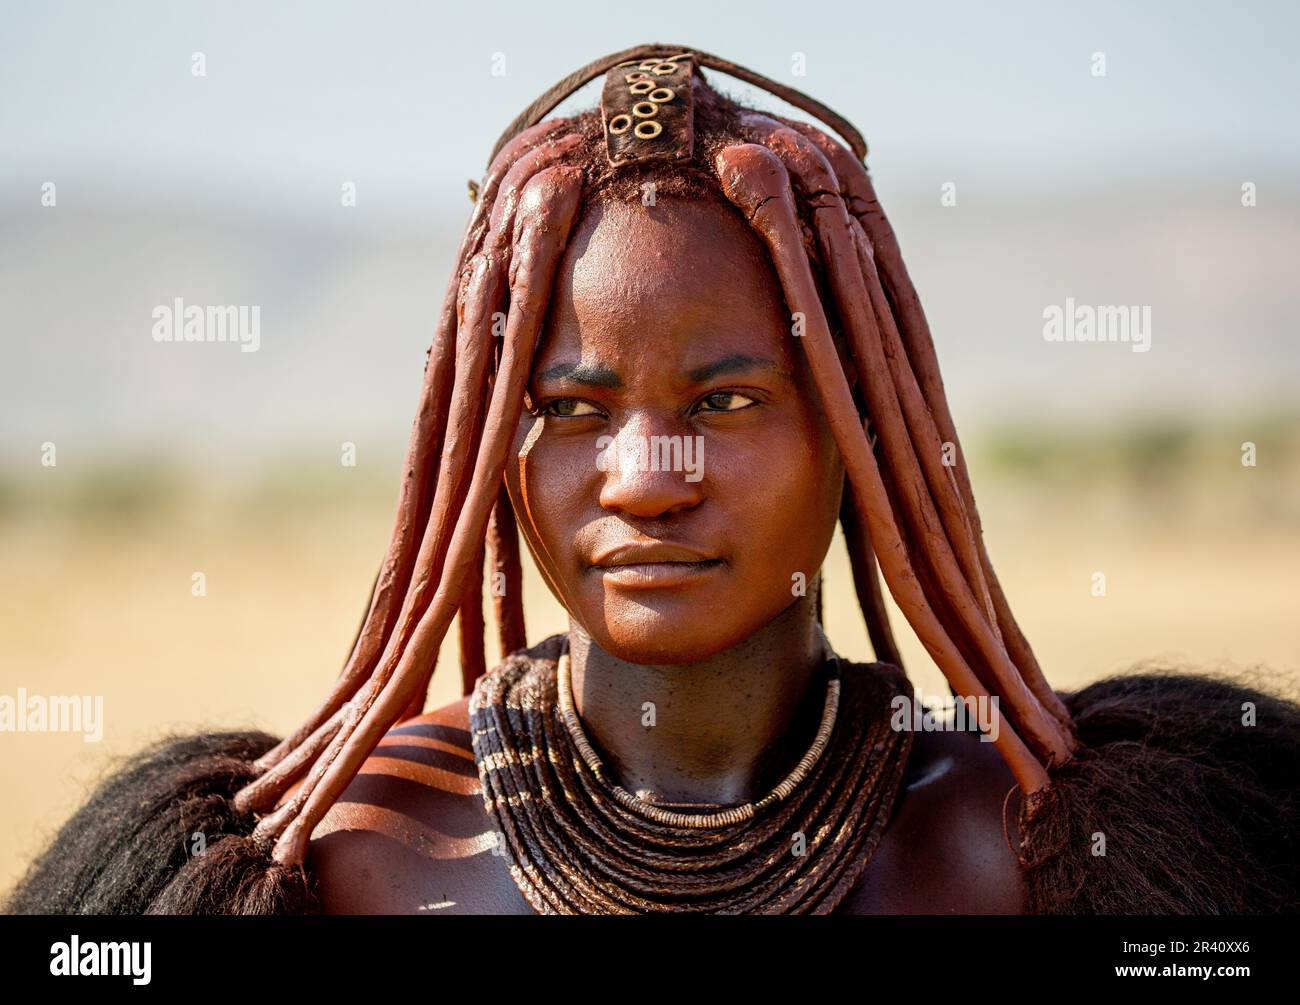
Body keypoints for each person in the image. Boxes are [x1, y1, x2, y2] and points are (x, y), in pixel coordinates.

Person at [7, 44, 1298, 915]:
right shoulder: (341, 866)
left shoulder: (1025, 854)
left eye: (724, 400)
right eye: (571, 409)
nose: (644, 477)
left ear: (855, 429)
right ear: (488, 446)